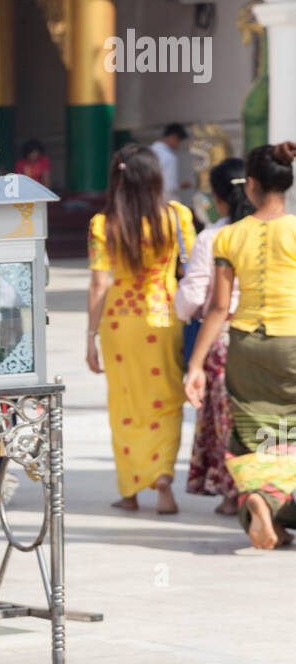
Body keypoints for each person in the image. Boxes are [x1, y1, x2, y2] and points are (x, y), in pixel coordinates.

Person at [184, 141, 296, 550]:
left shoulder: (229, 236)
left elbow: (217, 308)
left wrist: (195, 366)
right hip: (293, 344)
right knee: (291, 434)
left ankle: (262, 505)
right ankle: (272, 505)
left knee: (251, 437)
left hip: (246, 345)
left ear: (250, 186)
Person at [87, 143, 196, 514]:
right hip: (164, 318)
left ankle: (131, 489)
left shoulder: (104, 224)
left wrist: (90, 337)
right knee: (166, 401)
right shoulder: (177, 216)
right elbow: (192, 267)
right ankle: (163, 474)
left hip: (119, 323)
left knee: (125, 405)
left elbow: (99, 285)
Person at [175, 158, 254, 515]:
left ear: (219, 198)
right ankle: (268, 490)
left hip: (223, 337)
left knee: (226, 419)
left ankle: (230, 493)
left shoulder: (213, 237)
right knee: (264, 418)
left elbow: (200, 300)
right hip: (272, 332)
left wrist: (193, 361)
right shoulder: (275, 231)